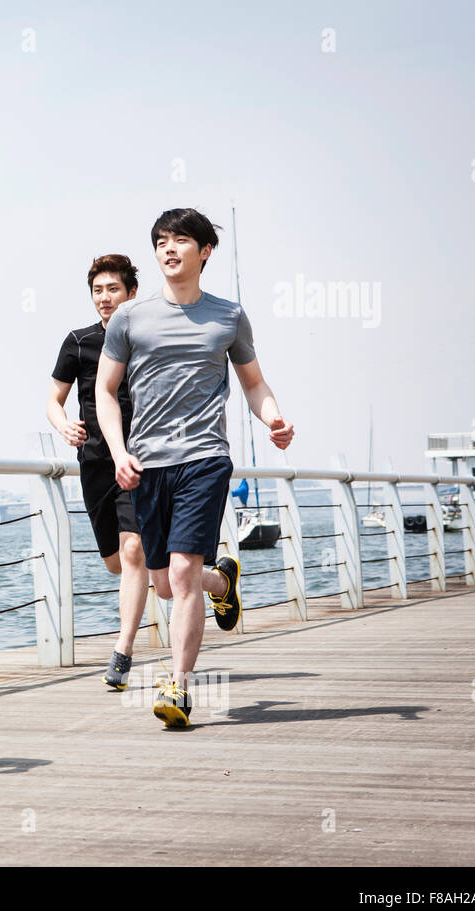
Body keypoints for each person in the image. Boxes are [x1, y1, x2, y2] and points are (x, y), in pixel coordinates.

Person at [96, 208, 293, 728]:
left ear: (205, 251)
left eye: (181, 240)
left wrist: (273, 417)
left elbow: (253, 382)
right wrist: (119, 453)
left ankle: (177, 689)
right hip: (146, 463)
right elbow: (104, 391)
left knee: (181, 574)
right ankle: (223, 584)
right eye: (161, 240)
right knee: (163, 584)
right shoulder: (130, 318)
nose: (169, 248)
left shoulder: (227, 316)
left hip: (204, 458)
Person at [46, 253, 148, 692]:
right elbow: (53, 399)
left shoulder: (148, 338)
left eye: (113, 289)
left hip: (140, 459)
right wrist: (62, 423)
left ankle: (122, 651)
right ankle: (218, 581)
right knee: (117, 564)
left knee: (133, 554)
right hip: (94, 464)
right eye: (98, 290)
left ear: (132, 294)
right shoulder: (78, 342)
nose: (105, 298)